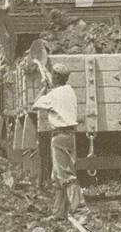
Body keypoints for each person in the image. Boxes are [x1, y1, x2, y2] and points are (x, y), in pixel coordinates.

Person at [33, 62, 84, 220]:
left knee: (67, 177)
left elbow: (36, 104)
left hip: (59, 137)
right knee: (58, 177)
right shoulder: (70, 91)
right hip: (70, 136)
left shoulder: (53, 95)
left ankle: (82, 213)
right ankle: (58, 213)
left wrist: (43, 88)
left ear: (56, 77)